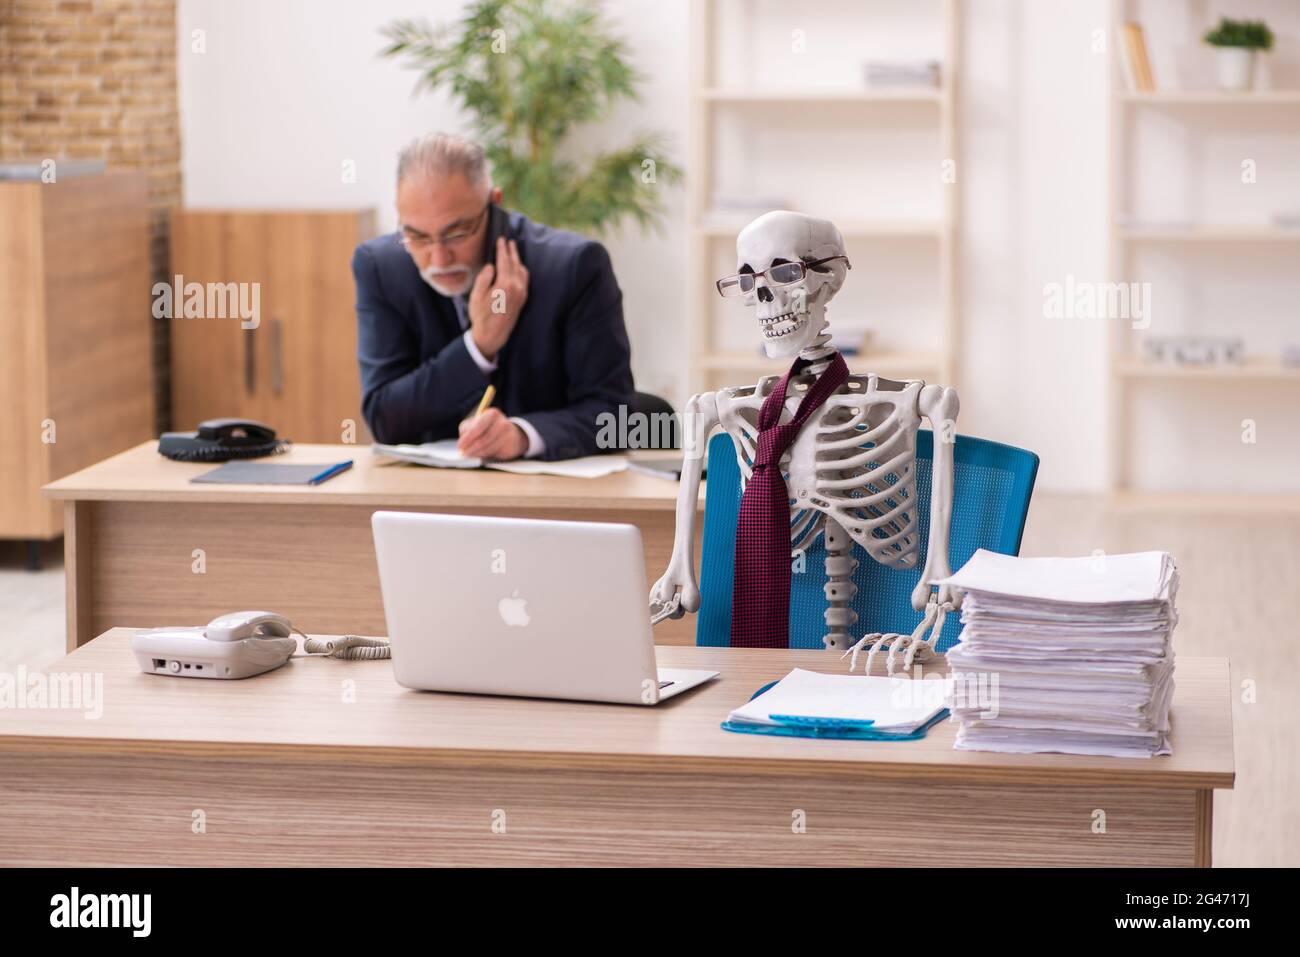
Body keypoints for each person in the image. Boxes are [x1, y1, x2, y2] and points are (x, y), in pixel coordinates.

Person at [353, 132, 634, 461]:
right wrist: (479, 346)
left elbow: (616, 418)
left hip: (551, 488)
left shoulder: (573, 267)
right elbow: (385, 419)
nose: (438, 259)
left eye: (457, 233)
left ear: (494, 203)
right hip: (429, 487)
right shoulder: (381, 268)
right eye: (417, 236)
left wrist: (523, 436)